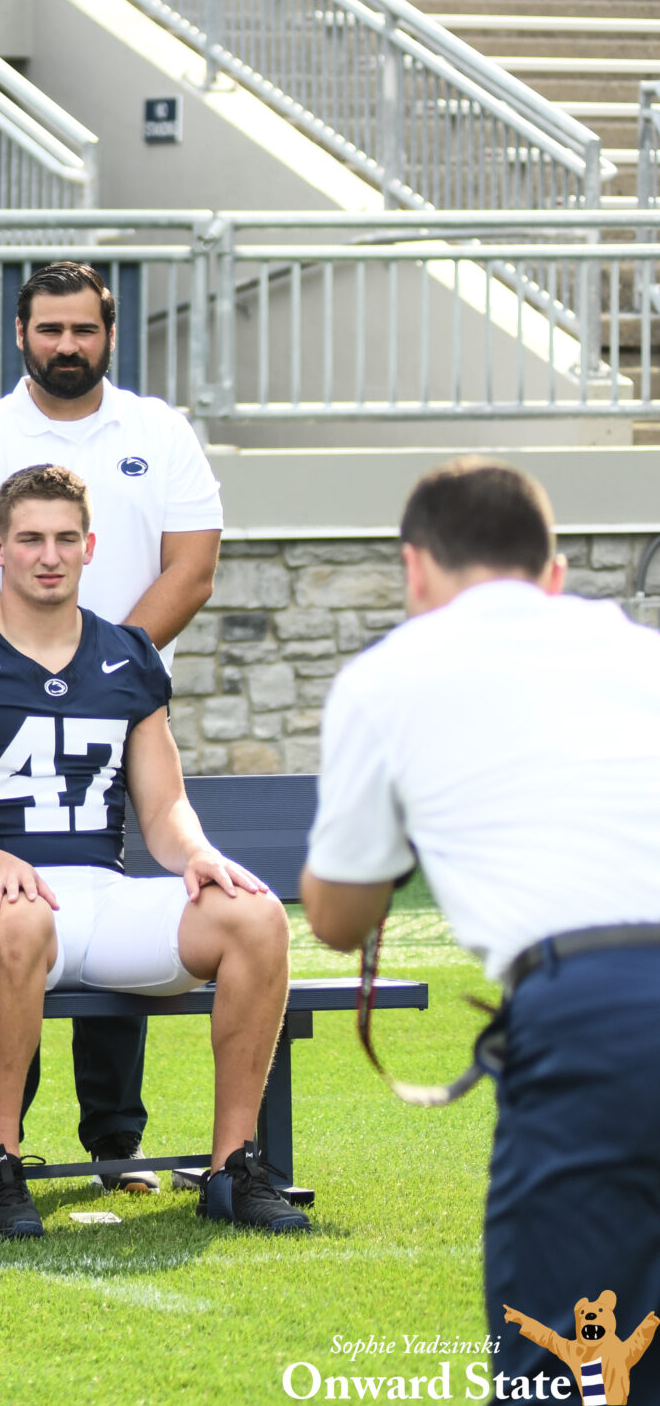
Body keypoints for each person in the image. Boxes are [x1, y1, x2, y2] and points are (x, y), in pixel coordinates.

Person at [301, 458, 660, 1394]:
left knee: (573, 1363)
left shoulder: (387, 679)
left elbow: (337, 916)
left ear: (415, 569)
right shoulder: (644, 652)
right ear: (555, 569)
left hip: (592, 1019)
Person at [0, 464, 304, 1239]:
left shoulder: (127, 655)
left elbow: (161, 803)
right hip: (3, 895)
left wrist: (194, 853)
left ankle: (233, 1165)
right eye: (29, 539)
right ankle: (0, 1164)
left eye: (62, 539)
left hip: (101, 890)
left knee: (256, 918)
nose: (47, 555)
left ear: (89, 547)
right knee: (18, 921)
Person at [0, 260, 223, 1187]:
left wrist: (99, 663)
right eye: (48, 329)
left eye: (82, 329)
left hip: (123, 700)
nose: (65, 344)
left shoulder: (159, 429)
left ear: (108, 334)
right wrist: (29, 664)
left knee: (110, 874)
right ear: (21, 334)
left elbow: (193, 565)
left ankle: (115, 1136)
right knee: (12, 899)